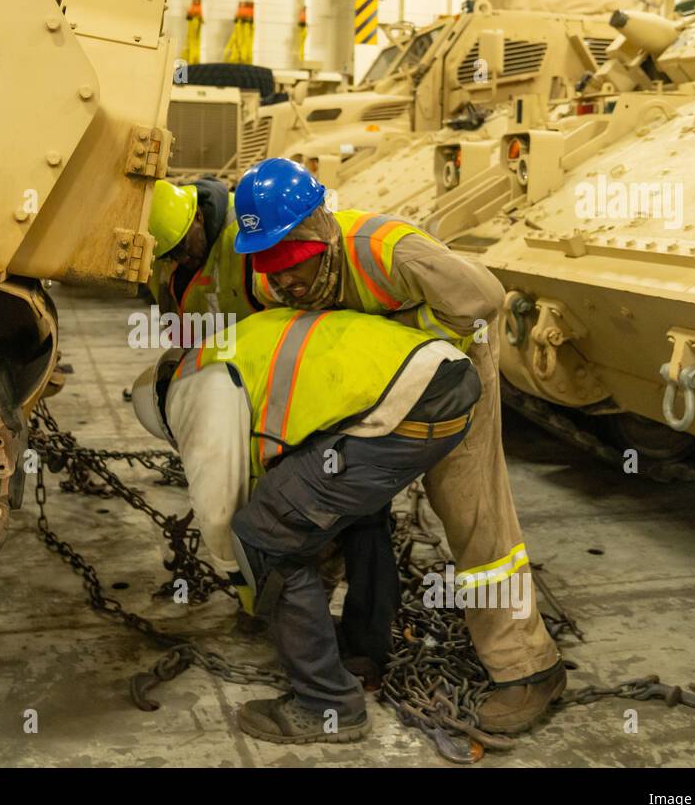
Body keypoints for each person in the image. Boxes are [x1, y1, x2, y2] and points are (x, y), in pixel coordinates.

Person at [230, 157, 563, 735]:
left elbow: (485, 300)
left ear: (323, 233)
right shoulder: (272, 278)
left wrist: (405, 340)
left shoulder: (389, 251)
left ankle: (528, 666)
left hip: (448, 381)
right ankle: (362, 646)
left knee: (474, 516)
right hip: (366, 393)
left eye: (294, 267)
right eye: (271, 267)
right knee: (351, 510)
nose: (284, 282)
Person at [132, 306, 480, 744]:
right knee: (360, 514)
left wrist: (251, 591)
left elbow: (220, 511)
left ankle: (327, 703)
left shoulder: (194, 387)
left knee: (264, 536)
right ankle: (365, 650)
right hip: (445, 383)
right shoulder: (232, 346)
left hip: (403, 406)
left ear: (164, 413)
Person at [146, 179, 264, 320]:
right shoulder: (158, 253)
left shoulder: (246, 231)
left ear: (198, 216)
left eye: (184, 244)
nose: (182, 259)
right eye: (171, 255)